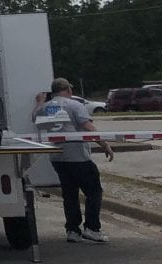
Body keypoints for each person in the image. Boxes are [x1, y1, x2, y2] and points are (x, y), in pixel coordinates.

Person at [37, 78, 114, 243]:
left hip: (57, 156)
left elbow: (34, 118)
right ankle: (92, 228)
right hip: (77, 155)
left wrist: (39, 102)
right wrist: (105, 144)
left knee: (70, 194)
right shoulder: (74, 105)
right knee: (94, 192)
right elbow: (88, 127)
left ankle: (72, 230)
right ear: (68, 90)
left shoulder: (46, 107)